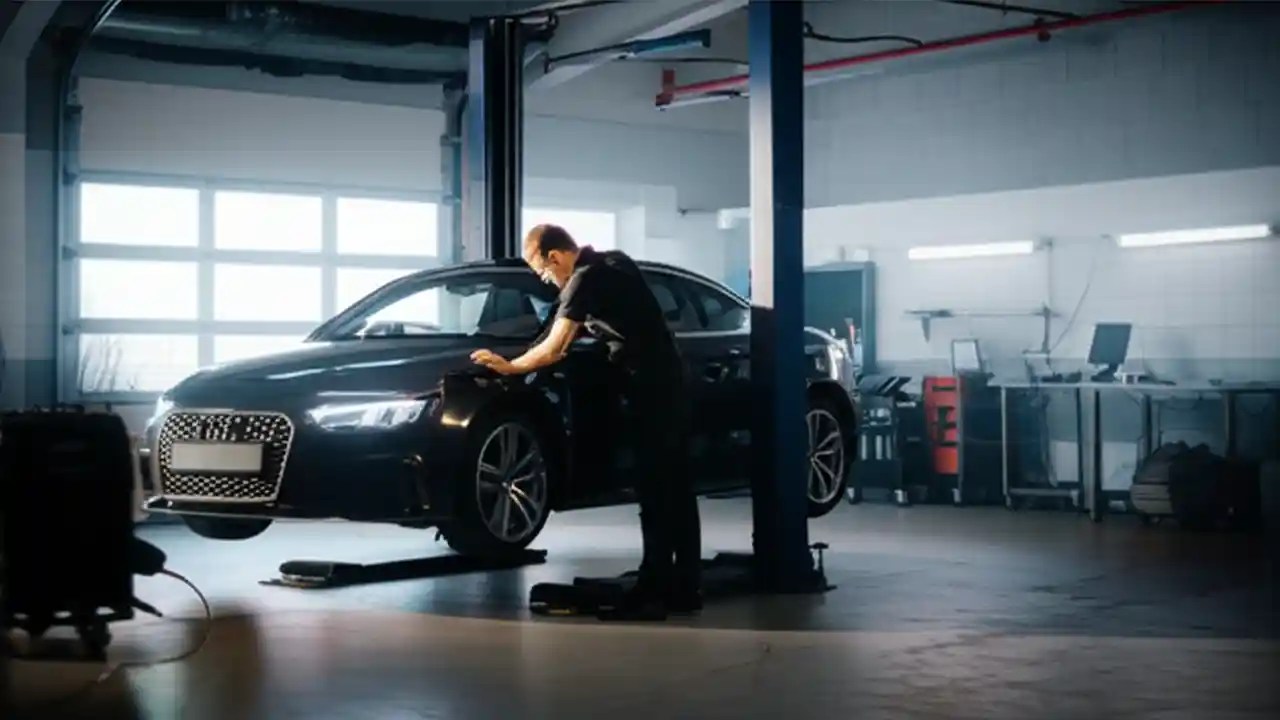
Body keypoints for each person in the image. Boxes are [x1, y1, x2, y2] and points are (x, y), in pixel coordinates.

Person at [471, 224, 701, 620]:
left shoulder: (583, 279)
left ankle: (653, 588)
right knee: (677, 486)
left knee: (654, 489)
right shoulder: (617, 261)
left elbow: (555, 346)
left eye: (542, 272)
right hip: (673, 381)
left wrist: (509, 367)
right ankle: (685, 588)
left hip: (648, 388)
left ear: (555, 257)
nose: (546, 281)